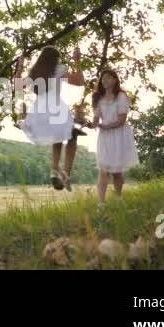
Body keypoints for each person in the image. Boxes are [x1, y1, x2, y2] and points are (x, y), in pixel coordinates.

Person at [14, 46, 85, 190]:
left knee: (57, 136)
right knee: (72, 136)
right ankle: (65, 172)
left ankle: (54, 170)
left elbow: (17, 86)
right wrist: (77, 61)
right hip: (55, 108)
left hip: (39, 111)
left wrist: (20, 68)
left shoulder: (34, 73)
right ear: (55, 59)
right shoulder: (58, 69)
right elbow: (79, 81)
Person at [91, 68, 139, 207]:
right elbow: (96, 118)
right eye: (103, 78)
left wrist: (106, 127)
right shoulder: (98, 97)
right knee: (103, 169)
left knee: (117, 172)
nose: (105, 80)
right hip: (105, 137)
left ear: (115, 80)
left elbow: (122, 119)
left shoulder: (121, 96)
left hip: (119, 135)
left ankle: (118, 197)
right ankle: (101, 203)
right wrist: (91, 123)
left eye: (108, 78)